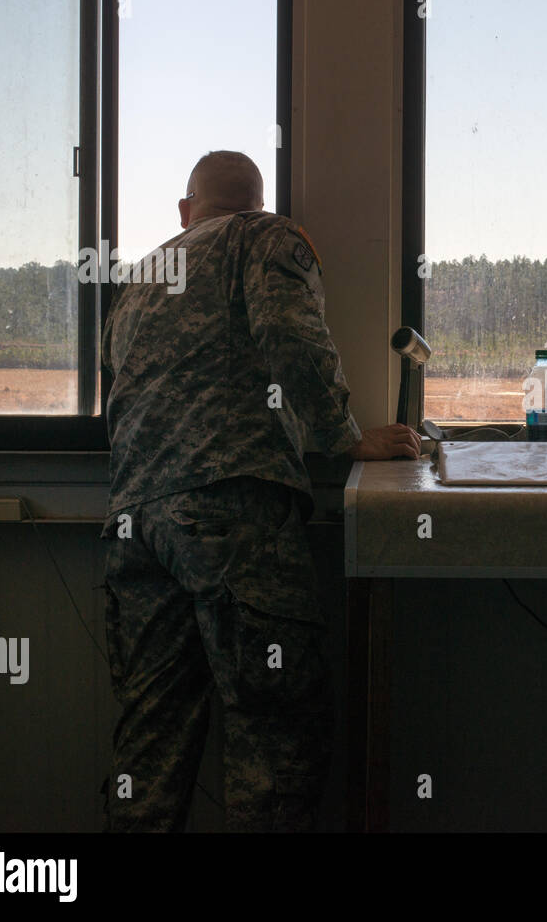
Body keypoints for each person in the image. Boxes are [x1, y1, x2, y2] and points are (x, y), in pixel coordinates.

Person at [98, 150, 418, 831]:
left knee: (150, 738)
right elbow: (289, 336)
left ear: (186, 212)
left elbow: (118, 392)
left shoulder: (139, 277)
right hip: (231, 513)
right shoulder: (264, 236)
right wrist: (343, 437)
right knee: (276, 734)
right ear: (257, 202)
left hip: (134, 526)